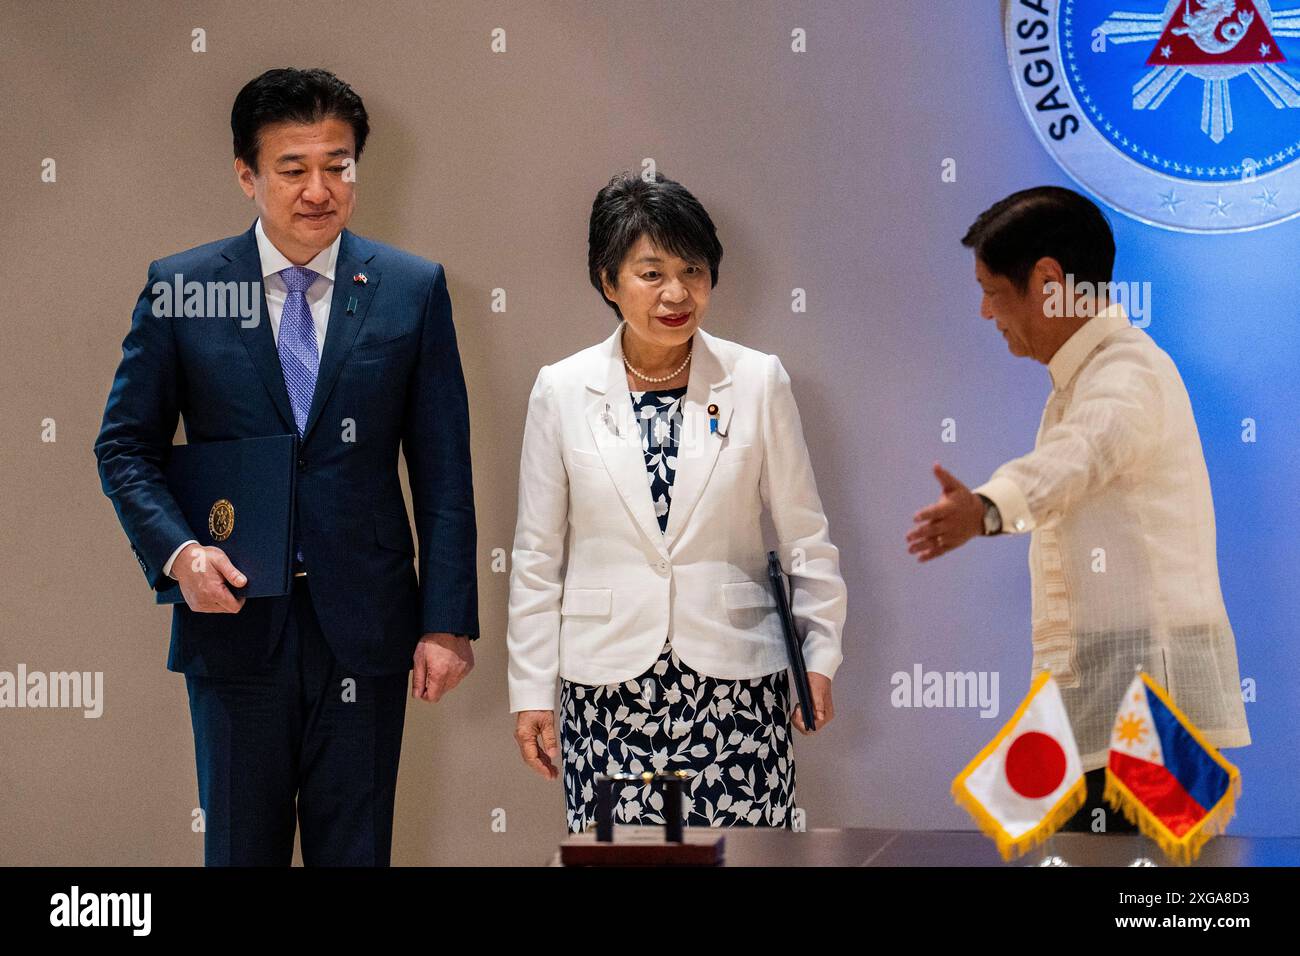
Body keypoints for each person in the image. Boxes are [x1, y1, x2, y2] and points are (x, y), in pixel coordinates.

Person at [93, 68, 478, 865]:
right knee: (239, 854)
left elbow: (443, 471)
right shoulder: (184, 287)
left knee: (359, 853)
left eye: (338, 165)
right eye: (292, 168)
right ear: (246, 174)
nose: (319, 189)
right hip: (234, 623)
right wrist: (179, 553)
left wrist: (445, 620)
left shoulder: (410, 289)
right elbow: (124, 446)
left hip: (366, 630)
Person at [507, 172, 848, 832]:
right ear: (609, 283)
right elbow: (535, 557)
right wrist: (530, 689)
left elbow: (807, 535)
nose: (676, 293)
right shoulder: (562, 389)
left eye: (694, 271)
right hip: (609, 689)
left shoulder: (756, 381)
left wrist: (820, 657)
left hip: (737, 683)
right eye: (651, 273)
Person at [906, 186, 1250, 832]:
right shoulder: (1085, 380)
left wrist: (985, 508)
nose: (984, 312)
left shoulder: (1126, 376)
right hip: (1106, 709)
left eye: (991, 290)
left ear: (1045, 281)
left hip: (1149, 723)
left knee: (1165, 911)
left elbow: (1080, 455)